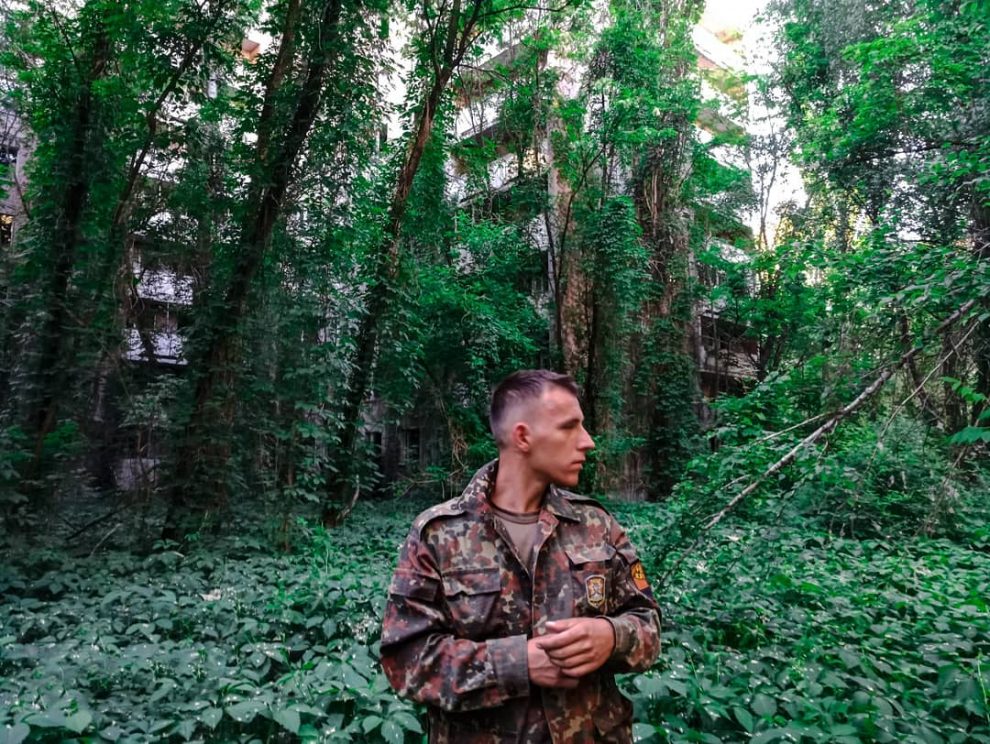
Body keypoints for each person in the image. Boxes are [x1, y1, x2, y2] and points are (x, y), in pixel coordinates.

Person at [380, 369, 661, 743]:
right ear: (523, 437)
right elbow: (405, 662)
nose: (588, 441)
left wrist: (611, 636)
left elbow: (648, 623)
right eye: (569, 427)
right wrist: (517, 663)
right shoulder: (439, 534)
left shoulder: (597, 524)